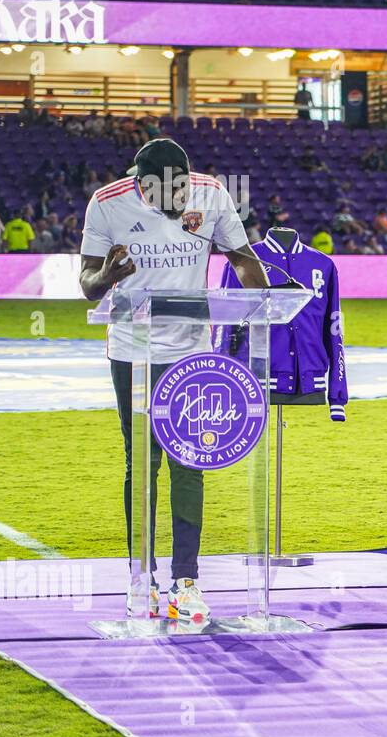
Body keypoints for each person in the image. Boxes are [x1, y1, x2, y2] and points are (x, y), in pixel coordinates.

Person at [78, 138, 269, 623]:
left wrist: (265, 293)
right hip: (132, 350)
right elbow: (86, 284)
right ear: (143, 187)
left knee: (190, 461)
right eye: (171, 194)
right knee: (141, 461)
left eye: (185, 188)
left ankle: (187, 582)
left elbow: (241, 255)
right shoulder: (106, 202)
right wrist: (107, 275)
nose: (183, 199)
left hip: (190, 348)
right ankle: (141, 577)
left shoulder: (212, 193)